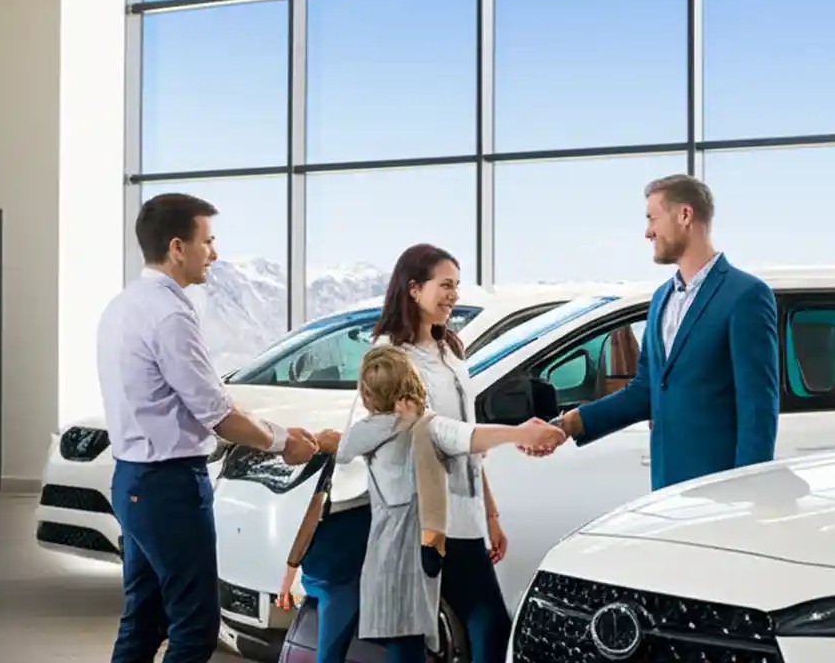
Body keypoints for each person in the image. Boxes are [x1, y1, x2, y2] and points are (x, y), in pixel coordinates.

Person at [281, 243, 543, 663]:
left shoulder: (451, 350)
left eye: (456, 286)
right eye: (445, 285)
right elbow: (440, 432)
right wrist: (515, 433)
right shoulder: (391, 356)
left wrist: (489, 512)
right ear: (414, 288)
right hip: (417, 516)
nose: (453, 295)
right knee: (414, 635)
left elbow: (464, 431)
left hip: (463, 510)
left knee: (487, 624)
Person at [97, 192, 319, 663]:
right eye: (208, 241)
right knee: (195, 627)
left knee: (143, 619)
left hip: (133, 480)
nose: (214, 254)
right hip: (169, 487)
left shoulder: (121, 306)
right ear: (178, 247)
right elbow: (215, 411)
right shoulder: (171, 314)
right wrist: (283, 442)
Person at [292, 346, 562, 662]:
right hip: (423, 544)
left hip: (386, 550)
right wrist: (519, 433)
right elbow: (468, 436)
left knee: (402, 641)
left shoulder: (365, 431)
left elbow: (342, 447)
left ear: (367, 393)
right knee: (416, 635)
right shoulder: (427, 425)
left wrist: (319, 439)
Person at [532, 174, 780, 490]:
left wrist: (750, 491)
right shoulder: (662, 298)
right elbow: (646, 390)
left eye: (652, 218)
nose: (648, 232)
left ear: (685, 215)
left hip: (721, 487)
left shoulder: (746, 295)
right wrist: (570, 424)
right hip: (666, 486)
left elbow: (757, 408)